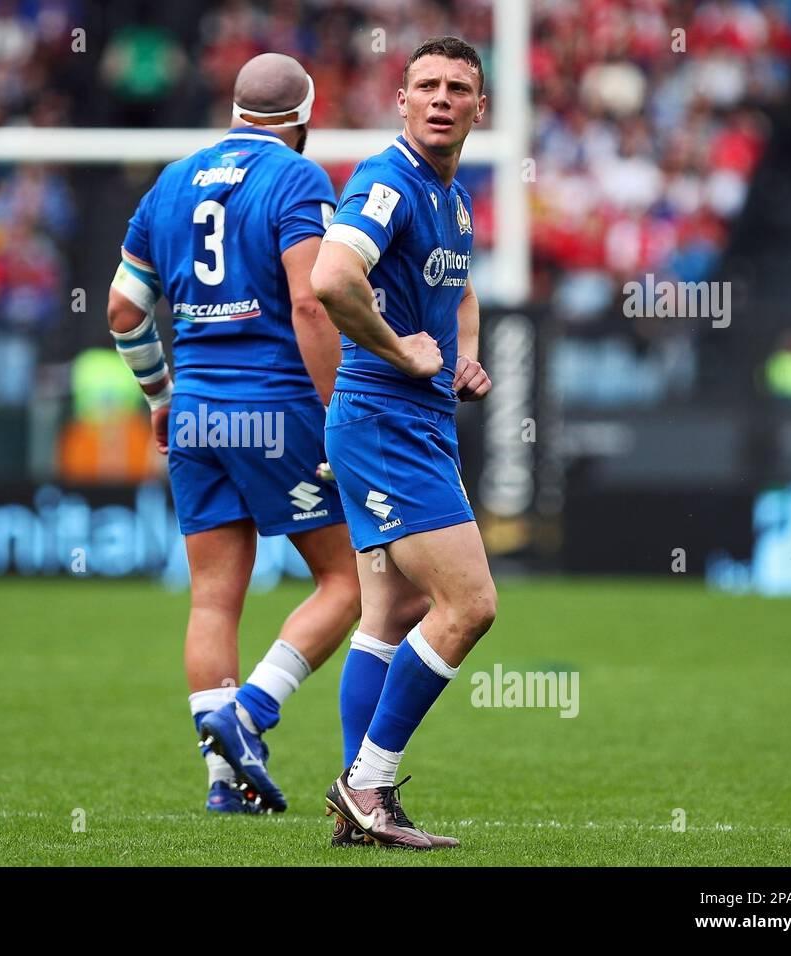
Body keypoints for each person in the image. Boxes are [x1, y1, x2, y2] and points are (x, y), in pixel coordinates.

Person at [106, 53, 360, 814]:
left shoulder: (171, 182)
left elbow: (122, 310)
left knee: (214, 601)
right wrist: (338, 411)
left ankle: (225, 786)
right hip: (276, 405)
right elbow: (313, 304)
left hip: (196, 415)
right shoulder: (296, 177)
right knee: (348, 584)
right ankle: (250, 713)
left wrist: (160, 392)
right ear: (304, 119)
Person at [310, 36, 496, 848]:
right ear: (402, 100)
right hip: (386, 422)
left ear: (479, 107)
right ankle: (368, 785)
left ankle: (359, 807)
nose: (442, 98)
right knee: (471, 605)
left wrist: (464, 354)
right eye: (426, 85)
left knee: (392, 611)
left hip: (403, 420)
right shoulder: (389, 180)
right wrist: (399, 348)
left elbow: (458, 289)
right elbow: (329, 277)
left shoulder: (449, 198)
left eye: (458, 87)